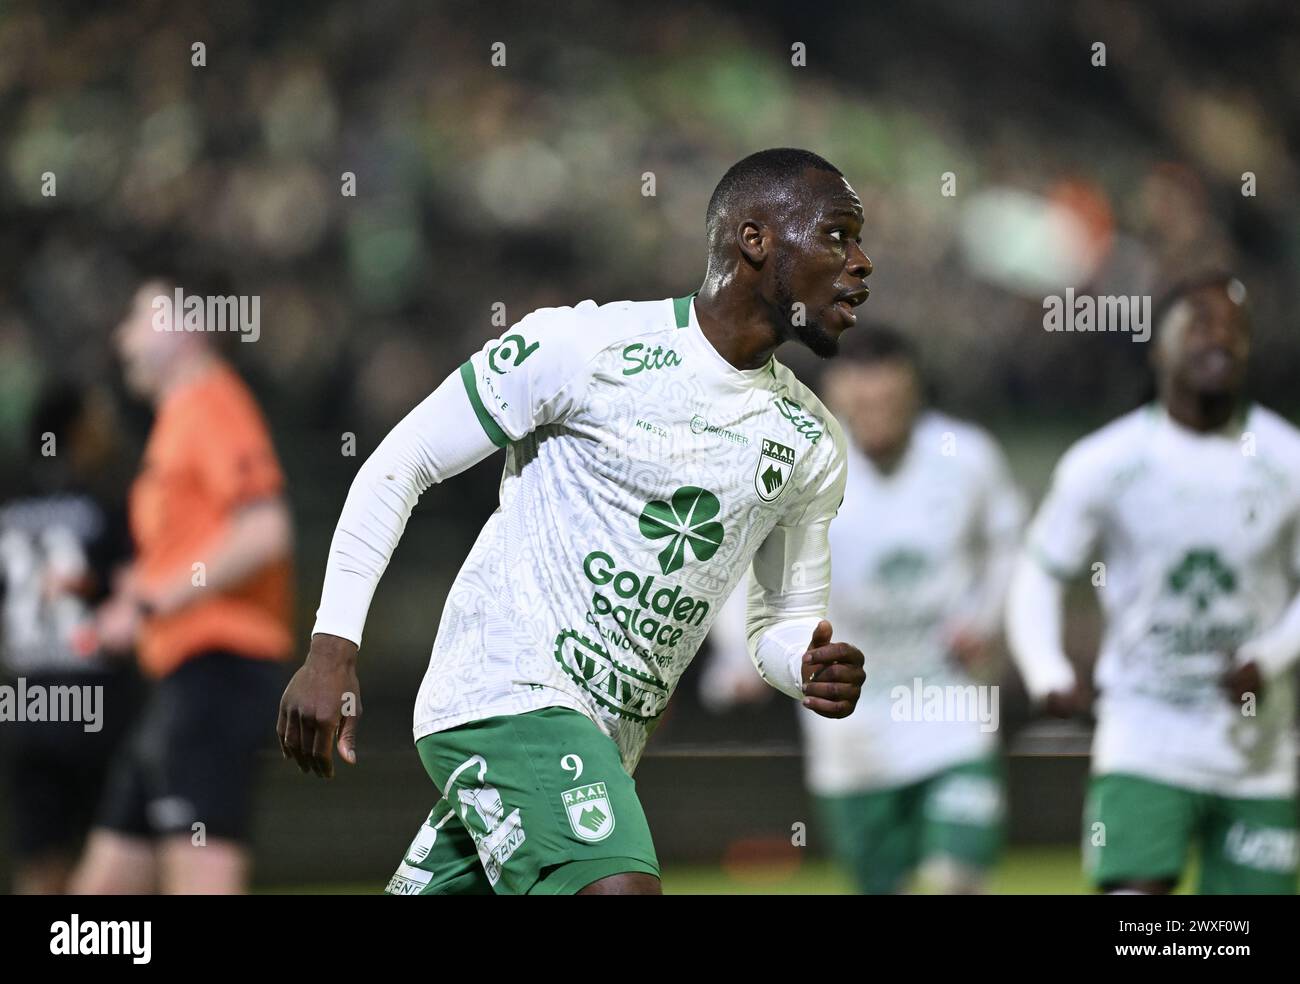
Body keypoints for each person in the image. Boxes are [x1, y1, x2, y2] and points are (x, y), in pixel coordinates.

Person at [278, 147, 871, 895]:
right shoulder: (583, 347)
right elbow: (403, 462)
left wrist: (804, 665)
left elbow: (779, 622)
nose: (861, 262)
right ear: (754, 240)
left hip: (602, 746)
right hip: (503, 695)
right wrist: (332, 649)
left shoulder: (811, 441)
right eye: (837, 235)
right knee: (617, 889)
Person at [1007, 272, 1300, 894]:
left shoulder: (1287, 460)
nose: (1220, 339)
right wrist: (1046, 670)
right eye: (1199, 324)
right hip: (1144, 737)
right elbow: (1039, 570)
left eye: (1235, 329)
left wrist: (1269, 658)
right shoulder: (1105, 464)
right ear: (1159, 349)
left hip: (1257, 755)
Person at [705, 327, 1025, 893]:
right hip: (850, 723)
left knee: (960, 874)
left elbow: (1010, 545)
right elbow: (744, 572)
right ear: (838, 397)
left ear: (914, 395)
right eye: (864, 402)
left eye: (890, 402)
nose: (877, 415)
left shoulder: (966, 457)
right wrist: (745, 656)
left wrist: (985, 619)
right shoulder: (800, 467)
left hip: (947, 701)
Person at [71, 276, 294, 894]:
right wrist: (123, 597)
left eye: (140, 316)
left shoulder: (209, 400)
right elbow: (192, 546)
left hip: (214, 674)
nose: (123, 337)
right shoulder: (178, 419)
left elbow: (265, 529)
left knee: (201, 878)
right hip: (177, 681)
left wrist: (146, 600)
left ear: (186, 325)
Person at [0, 382, 142, 893]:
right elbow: (136, 589)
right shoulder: (108, 501)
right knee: (117, 858)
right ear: (77, 430)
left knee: (38, 862)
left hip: (27, 700)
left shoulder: (9, 500)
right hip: (97, 697)